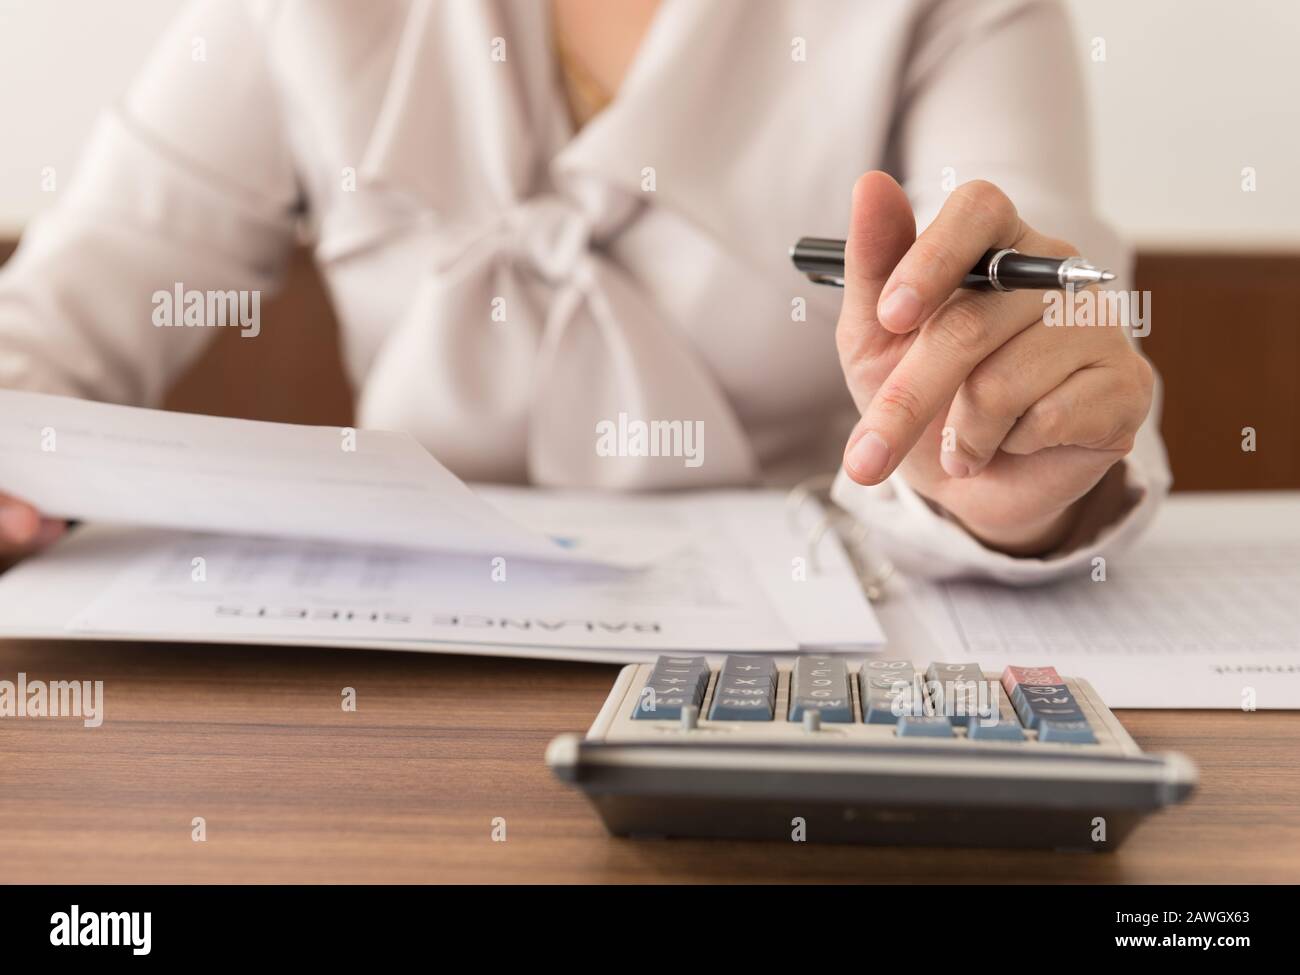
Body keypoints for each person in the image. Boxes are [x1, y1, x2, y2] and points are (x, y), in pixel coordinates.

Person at [0, 0, 1167, 583]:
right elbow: (53, 328)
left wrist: (1005, 471)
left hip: (806, 652)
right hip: (384, 673)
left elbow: (1047, 309)